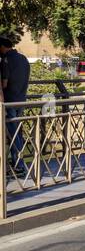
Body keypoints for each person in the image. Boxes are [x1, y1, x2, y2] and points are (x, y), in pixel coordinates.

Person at [0, 35, 30, 175]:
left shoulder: (5, 60)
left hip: (9, 101)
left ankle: (19, 165)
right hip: (21, 100)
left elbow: (4, 83)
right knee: (17, 133)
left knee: (13, 135)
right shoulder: (23, 59)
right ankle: (18, 163)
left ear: (2, 47)